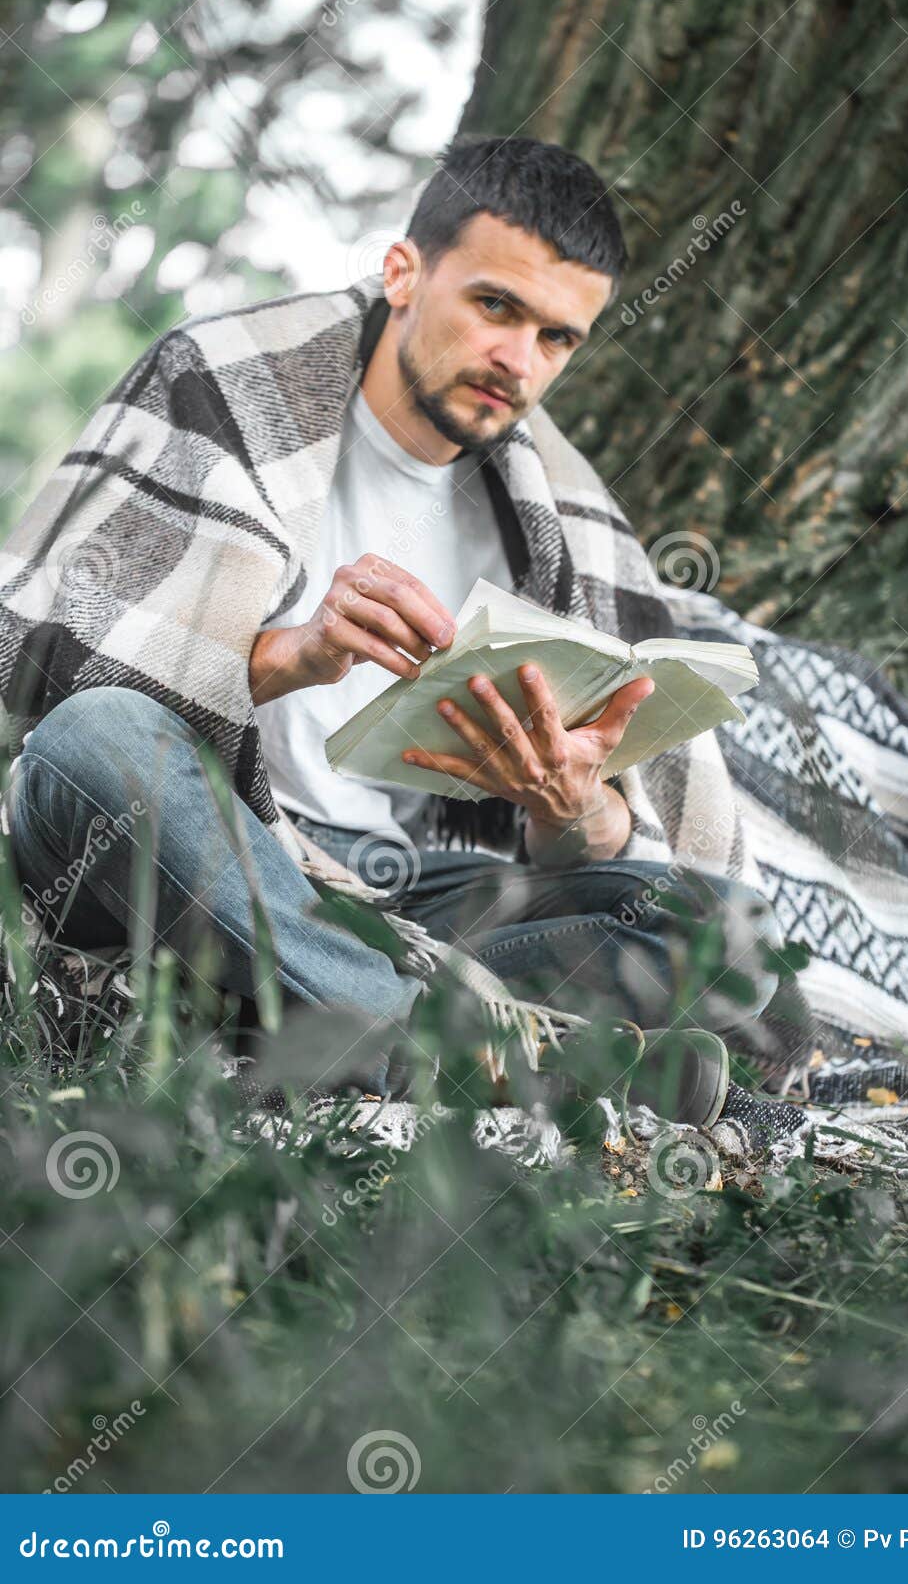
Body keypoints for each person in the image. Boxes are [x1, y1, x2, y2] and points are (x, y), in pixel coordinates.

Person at [0, 136, 782, 1124]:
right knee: (93, 742)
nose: (518, 361)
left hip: (400, 900)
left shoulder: (559, 510)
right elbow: (50, 666)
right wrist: (293, 655)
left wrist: (567, 807)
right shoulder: (223, 380)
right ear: (403, 273)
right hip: (189, 857)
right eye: (496, 306)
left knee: (727, 940)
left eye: (557, 338)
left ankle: (346, 1027)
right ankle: (499, 1051)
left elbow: (598, 848)